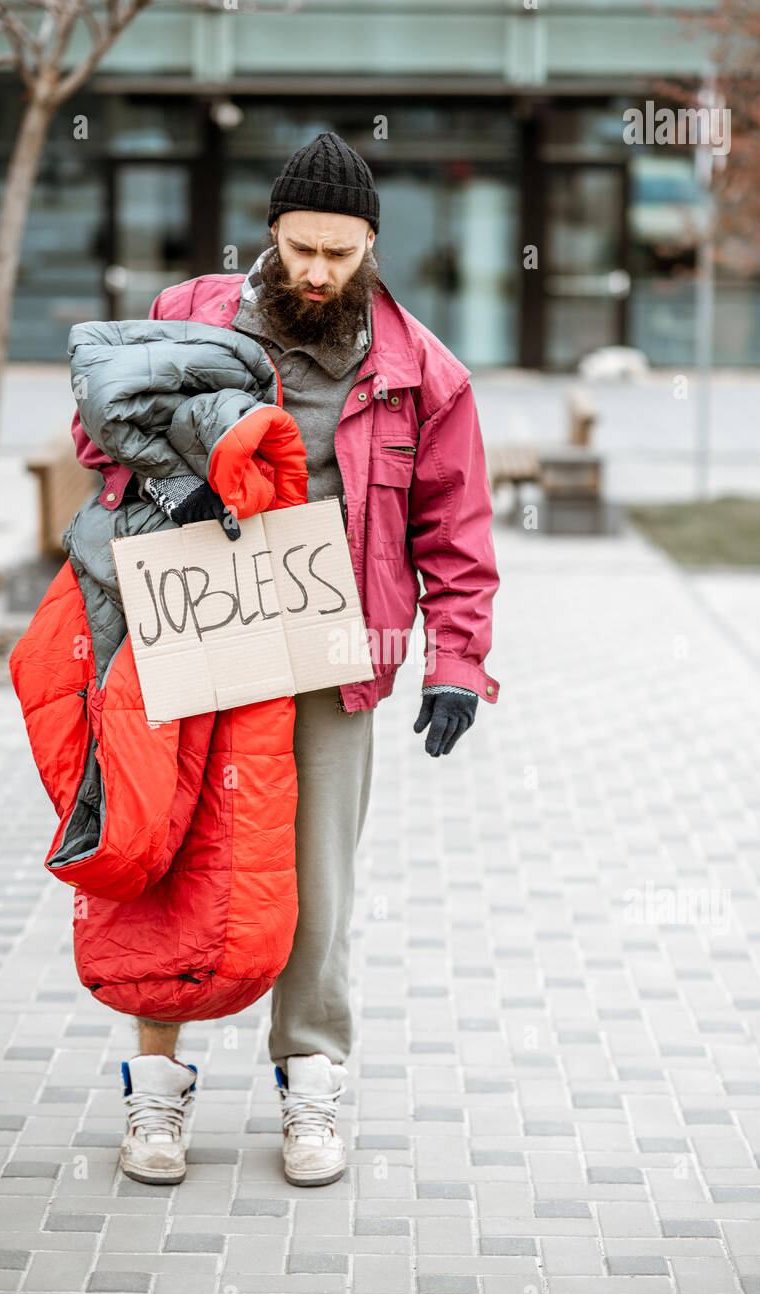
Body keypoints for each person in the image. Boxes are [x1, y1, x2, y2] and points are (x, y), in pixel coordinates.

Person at [71, 131, 501, 1188]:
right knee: (163, 850)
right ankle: (156, 1090)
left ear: (371, 247)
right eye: (301, 248)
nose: (317, 271)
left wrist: (457, 664)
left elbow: (454, 530)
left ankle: (311, 1083)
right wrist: (178, 457)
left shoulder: (422, 371)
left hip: (328, 649)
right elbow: (95, 433)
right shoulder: (192, 315)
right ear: (270, 234)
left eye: (339, 253)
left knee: (316, 878)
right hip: (187, 623)